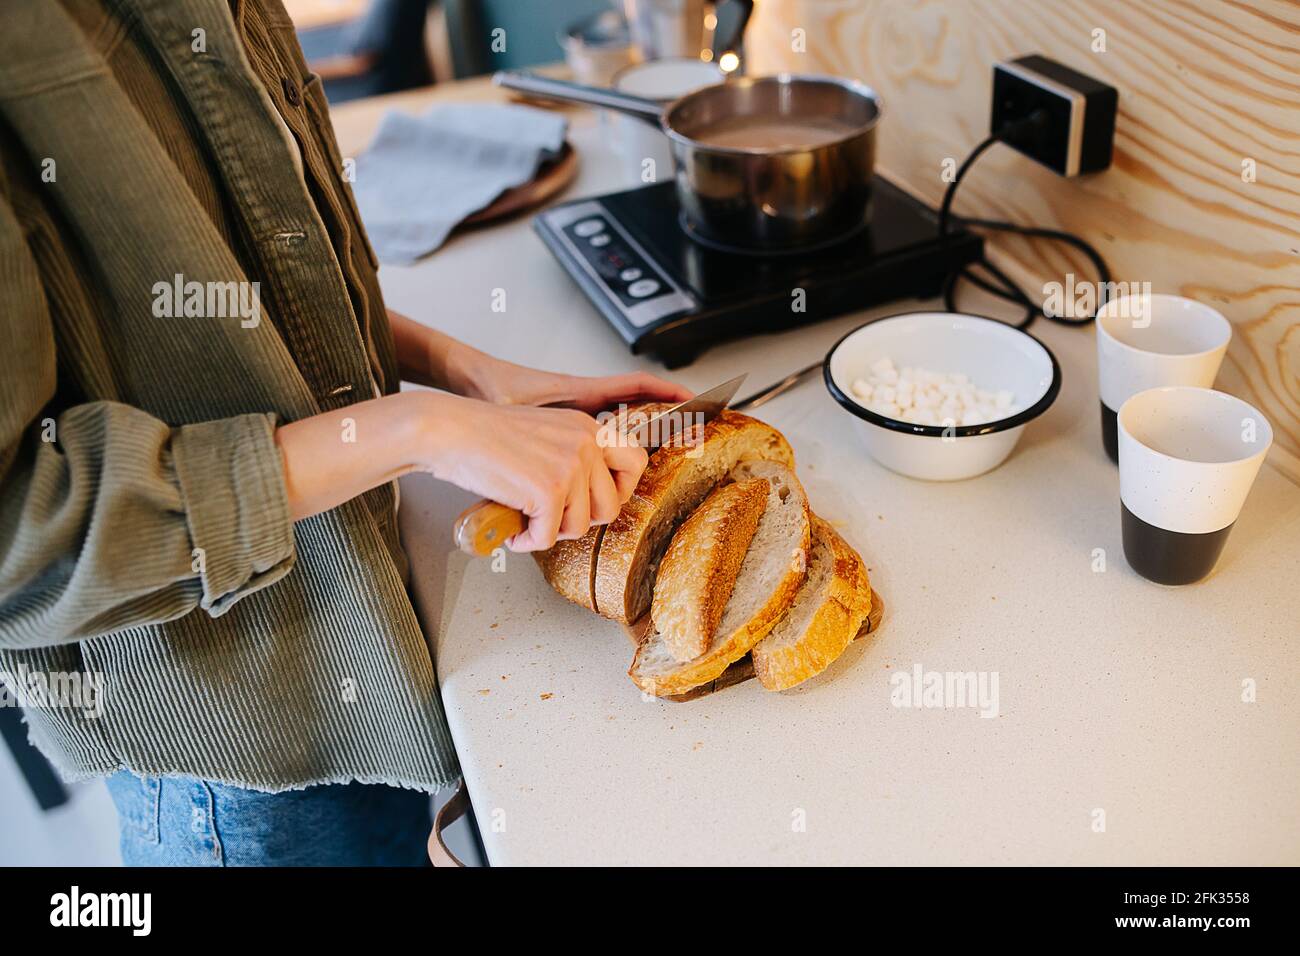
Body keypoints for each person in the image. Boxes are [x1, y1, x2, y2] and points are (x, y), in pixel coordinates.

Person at [0, 0, 688, 866]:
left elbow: (235, 289)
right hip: (240, 754)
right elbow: (16, 542)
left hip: (360, 646)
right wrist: (417, 427)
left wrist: (466, 377)